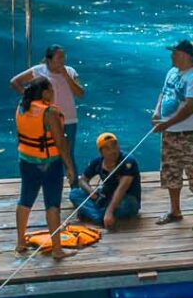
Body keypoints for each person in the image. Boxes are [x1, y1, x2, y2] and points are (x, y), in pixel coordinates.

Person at [15, 77, 79, 258]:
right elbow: (60, 142)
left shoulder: (21, 107)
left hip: (26, 160)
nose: (53, 94)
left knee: (25, 200)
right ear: (44, 93)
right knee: (52, 204)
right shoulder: (49, 112)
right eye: (51, 90)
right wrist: (70, 168)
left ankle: (20, 242)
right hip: (49, 163)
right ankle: (57, 250)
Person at [152, 39, 193, 230]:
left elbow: (190, 108)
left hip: (189, 134)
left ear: (185, 55)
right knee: (171, 172)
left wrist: (166, 123)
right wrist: (156, 112)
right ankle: (175, 210)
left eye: (174, 53)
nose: (171, 56)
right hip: (169, 132)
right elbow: (163, 93)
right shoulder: (172, 72)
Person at [10, 45, 84, 158]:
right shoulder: (38, 70)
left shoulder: (70, 71)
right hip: (48, 118)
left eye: (63, 57)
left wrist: (66, 76)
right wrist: (31, 98)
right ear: (49, 59)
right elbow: (14, 82)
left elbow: (80, 94)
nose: (62, 61)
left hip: (69, 119)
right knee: (51, 153)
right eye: (59, 58)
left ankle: (70, 174)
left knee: (69, 154)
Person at [71, 132, 141, 229]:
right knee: (74, 193)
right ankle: (100, 215)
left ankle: (96, 215)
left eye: (114, 145)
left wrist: (109, 211)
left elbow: (122, 189)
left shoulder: (128, 162)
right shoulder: (97, 162)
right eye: (107, 148)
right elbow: (82, 180)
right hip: (105, 197)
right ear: (101, 152)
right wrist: (93, 194)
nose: (113, 150)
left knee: (127, 204)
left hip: (125, 198)